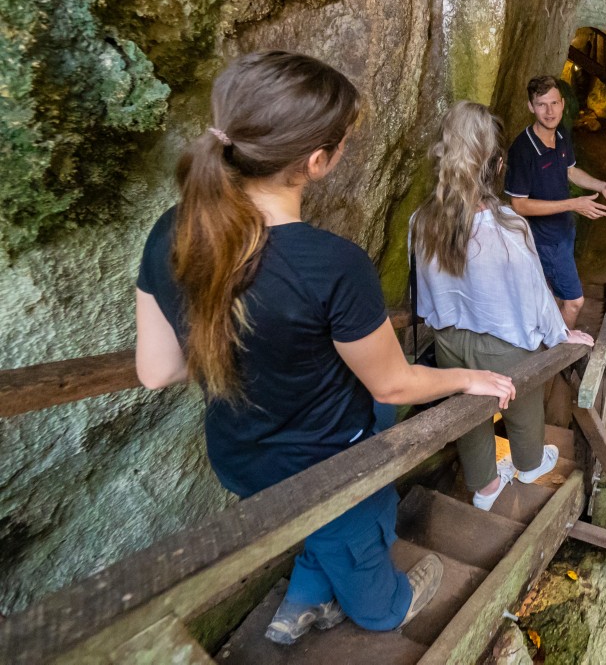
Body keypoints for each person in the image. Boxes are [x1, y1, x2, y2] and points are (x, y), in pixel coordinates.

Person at [134, 51, 517, 646]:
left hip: (239, 453)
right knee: (357, 540)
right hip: (329, 458)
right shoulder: (333, 266)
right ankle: (382, 604)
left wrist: (246, 343)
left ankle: (303, 600)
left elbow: (157, 369)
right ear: (317, 161)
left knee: (328, 521)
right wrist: (467, 379)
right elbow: (390, 384)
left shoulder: (170, 232)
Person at [411, 101, 594, 511]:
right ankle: (528, 463)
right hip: (503, 345)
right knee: (523, 404)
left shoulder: (422, 221)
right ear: (496, 165)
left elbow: (423, 294)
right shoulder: (508, 228)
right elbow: (535, 298)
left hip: (449, 341)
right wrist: (562, 335)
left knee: (467, 413)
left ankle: (485, 486)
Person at [505, 75, 606, 328]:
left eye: (553, 103)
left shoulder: (560, 135)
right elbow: (519, 205)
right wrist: (573, 204)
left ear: (562, 103)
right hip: (546, 239)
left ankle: (549, 332)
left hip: (564, 230)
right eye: (541, 104)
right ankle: (558, 354)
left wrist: (602, 186)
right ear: (531, 107)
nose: (549, 111)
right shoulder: (523, 150)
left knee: (552, 291)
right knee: (574, 302)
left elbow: (570, 171)